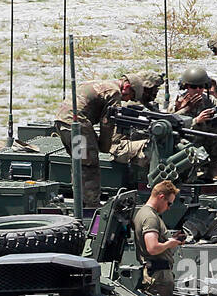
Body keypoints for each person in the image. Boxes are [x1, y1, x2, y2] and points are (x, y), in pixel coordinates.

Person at [55, 74, 149, 208]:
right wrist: (105, 146)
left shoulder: (99, 82)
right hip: (78, 125)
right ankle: (91, 205)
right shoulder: (114, 92)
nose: (127, 100)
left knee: (79, 163)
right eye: (130, 97)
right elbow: (107, 122)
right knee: (89, 165)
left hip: (62, 122)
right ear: (127, 87)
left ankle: (80, 201)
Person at [168, 66, 217, 180]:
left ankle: (213, 168)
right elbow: (170, 125)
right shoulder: (178, 103)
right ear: (186, 87)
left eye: (201, 87)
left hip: (206, 135)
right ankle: (191, 171)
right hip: (186, 137)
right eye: (194, 87)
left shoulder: (209, 101)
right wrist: (195, 119)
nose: (198, 90)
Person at [132, 180, 184, 296]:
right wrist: (169, 244)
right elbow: (153, 248)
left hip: (158, 274)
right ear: (161, 197)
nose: (169, 208)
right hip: (158, 277)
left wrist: (171, 240)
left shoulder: (147, 213)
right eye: (169, 203)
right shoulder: (150, 217)